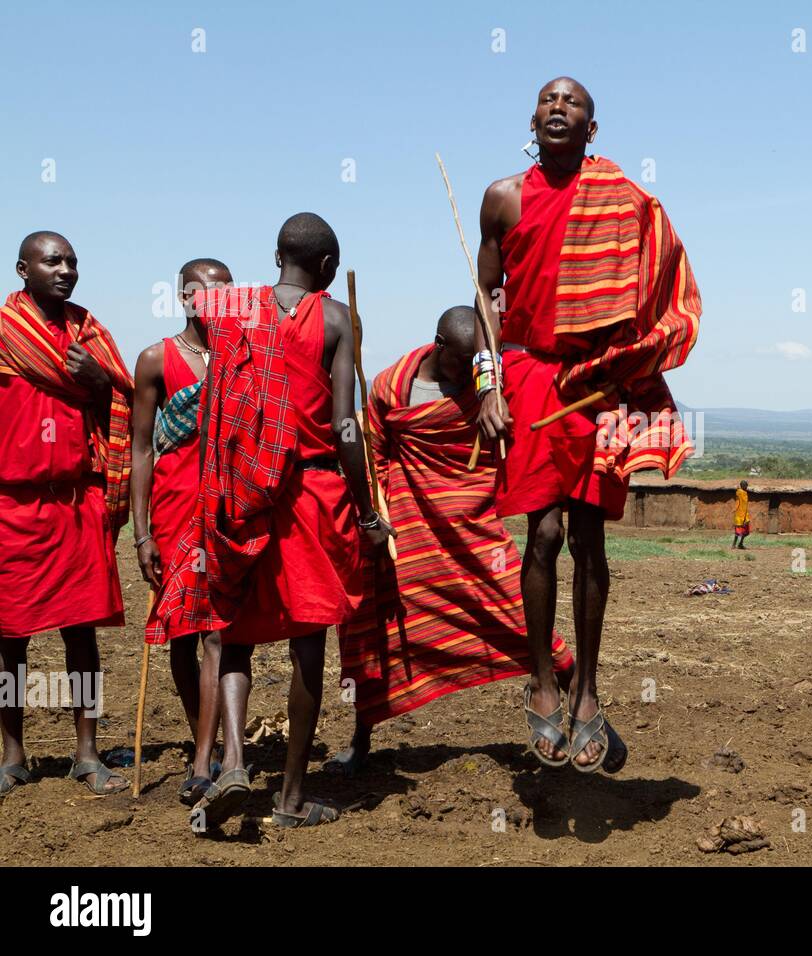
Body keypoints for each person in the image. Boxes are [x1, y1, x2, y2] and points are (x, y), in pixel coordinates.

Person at [475, 76, 700, 772]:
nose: (558, 109)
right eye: (547, 100)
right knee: (540, 532)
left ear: (593, 129)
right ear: (532, 119)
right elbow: (485, 292)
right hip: (533, 379)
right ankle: (542, 680)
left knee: (590, 537)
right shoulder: (502, 198)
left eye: (573, 103)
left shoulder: (626, 203)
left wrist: (635, 357)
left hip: (598, 383)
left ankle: (589, 695)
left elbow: (664, 280)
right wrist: (489, 379)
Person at [151, 213, 392, 829]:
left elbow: (218, 408)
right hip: (312, 496)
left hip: (241, 496)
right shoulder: (336, 319)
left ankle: (232, 763)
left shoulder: (233, 311)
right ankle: (288, 798)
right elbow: (344, 429)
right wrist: (366, 509)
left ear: (275, 255)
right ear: (329, 268)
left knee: (233, 632)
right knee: (307, 642)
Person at [330, 307, 574, 774]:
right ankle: (361, 738)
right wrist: (373, 517)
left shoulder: (491, 392)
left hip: (474, 524)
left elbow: (514, 451)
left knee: (515, 612)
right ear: (439, 346)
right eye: (463, 362)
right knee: (376, 623)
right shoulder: (390, 386)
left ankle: (579, 696)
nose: (471, 373)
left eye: (477, 363)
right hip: (409, 525)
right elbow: (372, 452)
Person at [0, 231, 134, 796]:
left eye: (72, 261)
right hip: (12, 504)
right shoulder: (3, 334)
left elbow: (123, 400)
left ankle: (87, 752)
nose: (66, 270)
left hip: (78, 502)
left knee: (82, 636)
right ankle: (12, 754)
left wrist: (100, 382)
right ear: (22, 269)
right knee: (10, 640)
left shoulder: (89, 334)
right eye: (52, 260)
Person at [130, 258, 231, 805]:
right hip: (174, 508)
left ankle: (204, 760)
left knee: (218, 630)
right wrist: (142, 533)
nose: (216, 301)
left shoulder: (244, 359)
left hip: (228, 510)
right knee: (182, 633)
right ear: (184, 297)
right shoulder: (155, 360)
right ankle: (204, 739)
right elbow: (142, 448)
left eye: (226, 292)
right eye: (205, 292)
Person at [733, 480, 751, 549]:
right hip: (740, 514)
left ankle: (740, 544)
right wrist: (738, 489)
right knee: (738, 530)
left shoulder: (744, 493)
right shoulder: (740, 492)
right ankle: (734, 544)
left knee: (745, 530)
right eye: (746, 485)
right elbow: (738, 493)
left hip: (744, 514)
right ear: (743, 486)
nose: (747, 487)